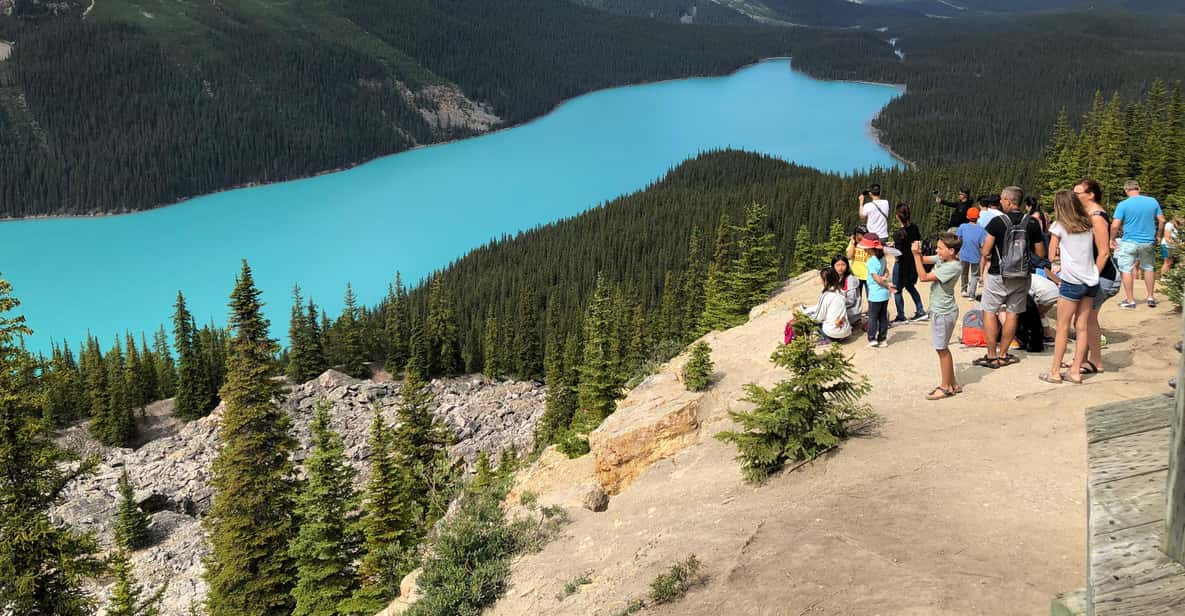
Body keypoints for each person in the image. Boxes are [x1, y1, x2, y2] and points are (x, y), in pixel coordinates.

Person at [1040, 190, 1108, 384]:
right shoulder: (1087, 224)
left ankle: (1054, 372)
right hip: (1091, 280)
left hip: (1071, 281)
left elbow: (1051, 255)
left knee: (1062, 327)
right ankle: (1076, 371)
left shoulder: (1058, 226)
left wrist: (1060, 256)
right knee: (1082, 327)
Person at [974, 186, 1046, 369]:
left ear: (1007, 200)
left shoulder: (998, 222)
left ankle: (991, 354)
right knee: (1013, 313)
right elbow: (1040, 251)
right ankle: (1004, 354)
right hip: (1022, 275)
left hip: (999, 273)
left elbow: (986, 250)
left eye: (1002, 199)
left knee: (990, 310)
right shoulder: (1031, 222)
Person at [1075, 178, 1120, 374]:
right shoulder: (1089, 215)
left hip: (1102, 276)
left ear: (1090, 194)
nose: (1074, 197)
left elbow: (1103, 253)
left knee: (1087, 319)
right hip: (1095, 275)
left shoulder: (1097, 217)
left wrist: (1091, 277)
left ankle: (1095, 361)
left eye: (1078, 194)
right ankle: (1081, 359)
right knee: (1083, 318)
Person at [912, 233, 963, 400]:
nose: (937, 250)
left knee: (942, 349)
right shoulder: (945, 259)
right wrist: (918, 253)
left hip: (943, 312)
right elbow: (926, 260)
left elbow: (924, 277)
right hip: (942, 310)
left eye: (940, 248)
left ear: (951, 251)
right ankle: (953, 383)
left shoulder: (953, 266)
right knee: (943, 348)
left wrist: (915, 257)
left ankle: (945, 387)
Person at [1111, 180, 1165, 308]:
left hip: (1129, 241)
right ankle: (1150, 297)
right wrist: (1158, 235)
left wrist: (1111, 239)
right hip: (1148, 241)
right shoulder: (1152, 201)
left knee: (1126, 269)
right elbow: (1162, 220)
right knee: (1148, 268)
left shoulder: (1123, 204)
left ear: (1126, 190)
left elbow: (1115, 225)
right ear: (1138, 188)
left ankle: (1130, 300)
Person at [890, 204, 926, 323]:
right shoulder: (914, 228)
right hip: (912, 262)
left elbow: (898, 253)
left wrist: (892, 247)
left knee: (897, 289)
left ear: (897, 217)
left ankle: (901, 315)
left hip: (901, 264)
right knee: (910, 286)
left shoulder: (898, 234)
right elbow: (915, 242)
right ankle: (920, 310)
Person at [803, 267, 852, 344]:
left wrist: (806, 314)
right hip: (846, 331)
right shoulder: (841, 292)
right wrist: (809, 309)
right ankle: (836, 337)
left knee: (812, 320)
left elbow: (818, 317)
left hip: (834, 333)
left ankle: (829, 338)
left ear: (825, 281)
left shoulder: (826, 295)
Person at [861, 234, 892, 347]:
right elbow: (887, 272)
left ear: (870, 248)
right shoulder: (883, 258)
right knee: (883, 316)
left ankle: (872, 338)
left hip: (875, 294)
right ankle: (882, 339)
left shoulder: (871, 261)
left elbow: (876, 279)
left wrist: (885, 284)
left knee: (873, 317)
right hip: (884, 294)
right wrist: (885, 280)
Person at [956, 207, 986, 297]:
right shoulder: (981, 230)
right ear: (978, 217)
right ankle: (972, 294)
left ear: (967, 216)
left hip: (963, 254)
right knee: (974, 275)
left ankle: (964, 290)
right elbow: (982, 244)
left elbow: (958, 240)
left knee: (964, 273)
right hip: (975, 255)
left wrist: (957, 251)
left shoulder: (962, 227)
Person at [831, 254, 863, 327]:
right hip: (841, 307)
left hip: (852, 311)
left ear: (847, 266)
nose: (840, 268)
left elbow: (851, 300)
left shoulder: (850, 279)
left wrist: (835, 305)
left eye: (843, 265)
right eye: (837, 265)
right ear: (833, 266)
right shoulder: (834, 278)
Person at [845, 224, 870, 302]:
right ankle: (857, 312)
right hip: (856, 275)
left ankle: (872, 312)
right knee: (856, 298)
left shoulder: (869, 243)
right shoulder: (853, 243)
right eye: (862, 234)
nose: (864, 236)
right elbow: (849, 256)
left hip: (868, 275)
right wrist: (853, 243)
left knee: (871, 297)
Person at [1026, 196, 1051, 269]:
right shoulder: (1045, 215)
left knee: (1039, 262)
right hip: (1047, 239)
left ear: (1029, 206)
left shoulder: (1032, 217)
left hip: (1038, 241)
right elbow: (1048, 228)